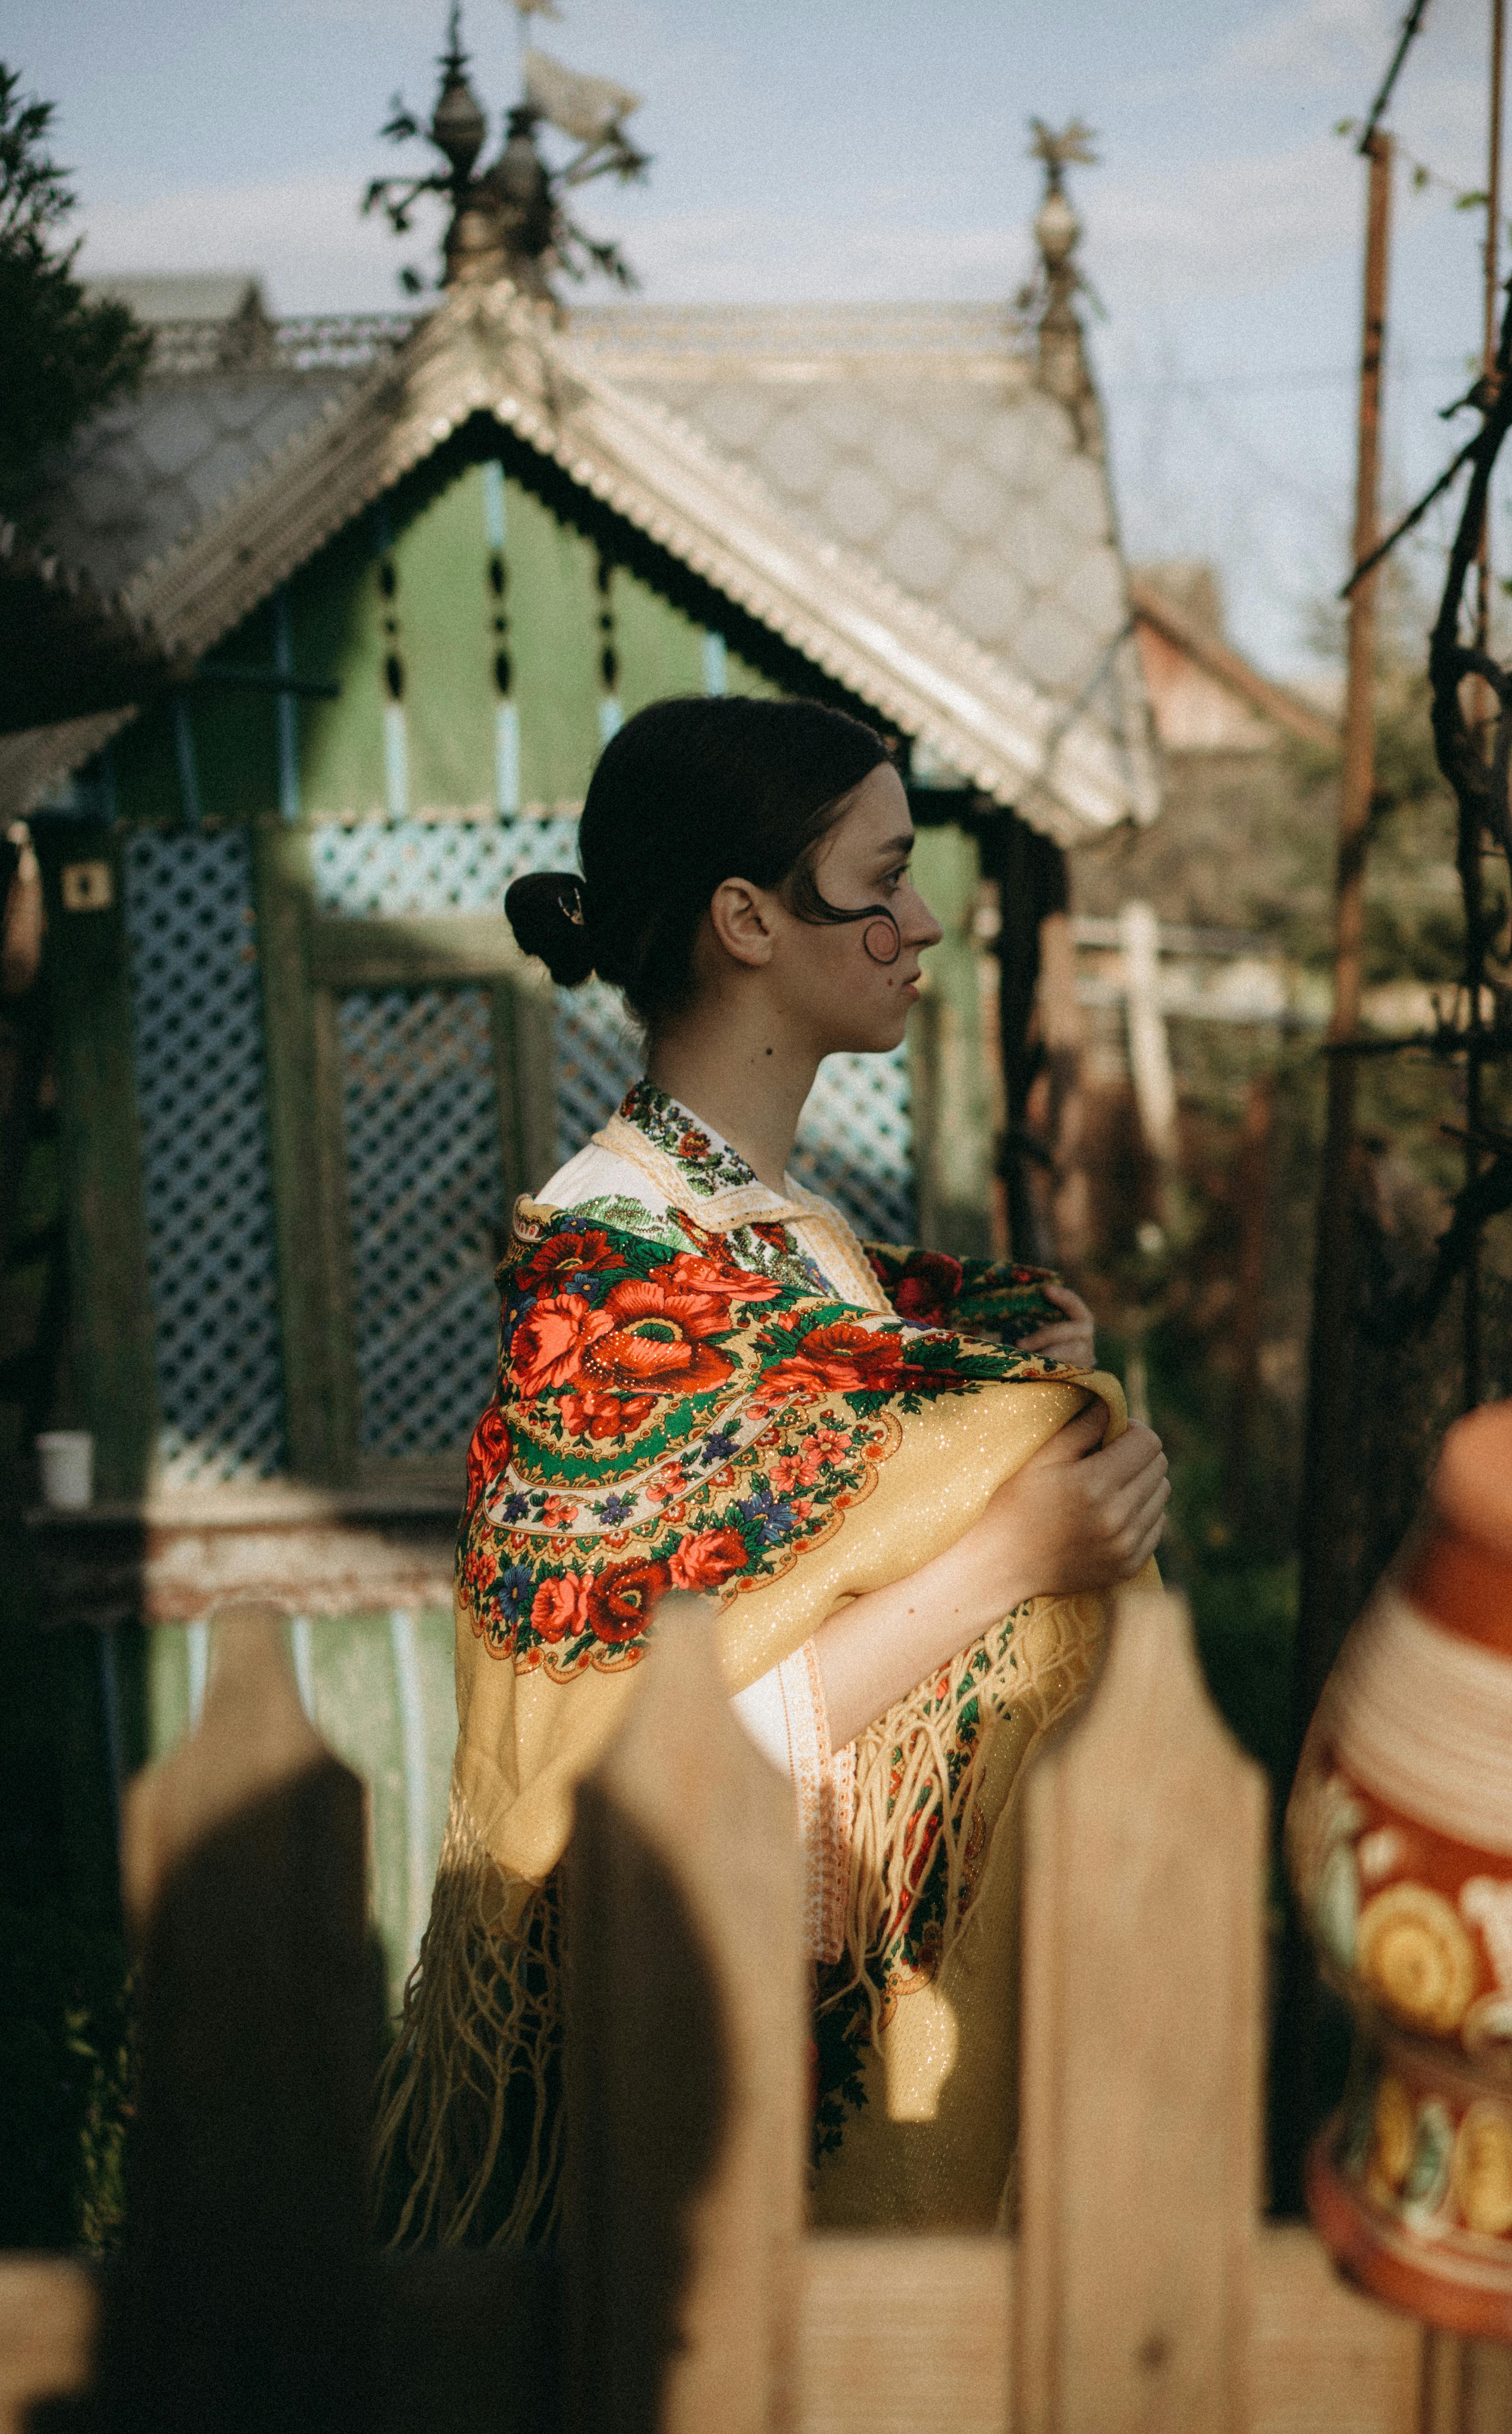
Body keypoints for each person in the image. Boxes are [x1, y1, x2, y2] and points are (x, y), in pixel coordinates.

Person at [374, 694, 1169, 2250]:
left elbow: (857, 1480)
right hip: (679, 2098)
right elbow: (645, 1762)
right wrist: (1008, 1558)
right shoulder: (616, 1287)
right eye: (882, 881)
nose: (922, 922)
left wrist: (998, 1375)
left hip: (798, 2033)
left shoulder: (781, 1247)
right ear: (747, 919)